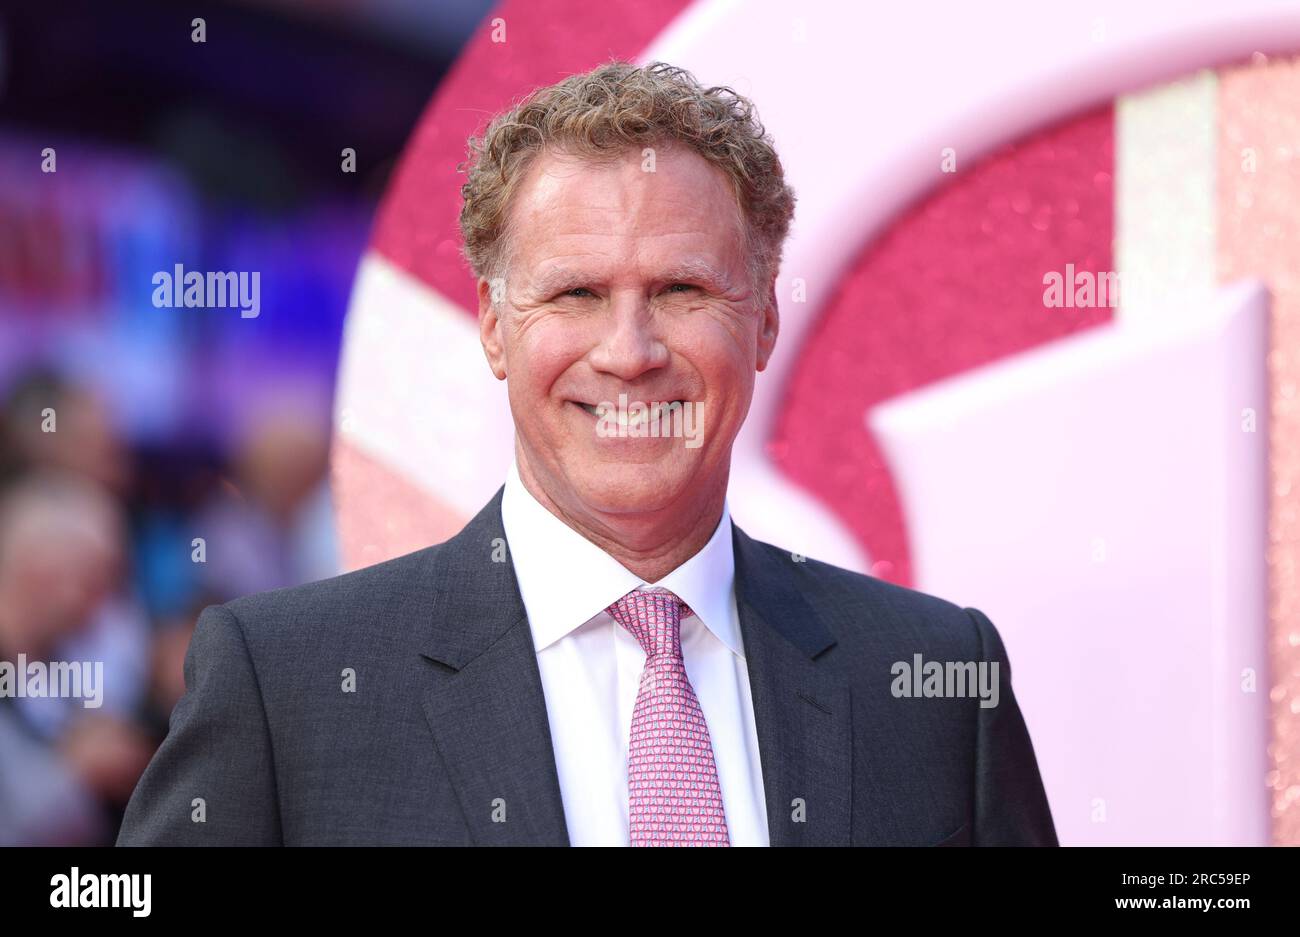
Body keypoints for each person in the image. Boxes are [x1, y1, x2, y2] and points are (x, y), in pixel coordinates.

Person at [118, 61, 1057, 847]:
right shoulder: (286, 687)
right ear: (492, 326)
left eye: (683, 288)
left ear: (764, 319)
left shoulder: (935, 681)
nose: (629, 350)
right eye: (574, 294)